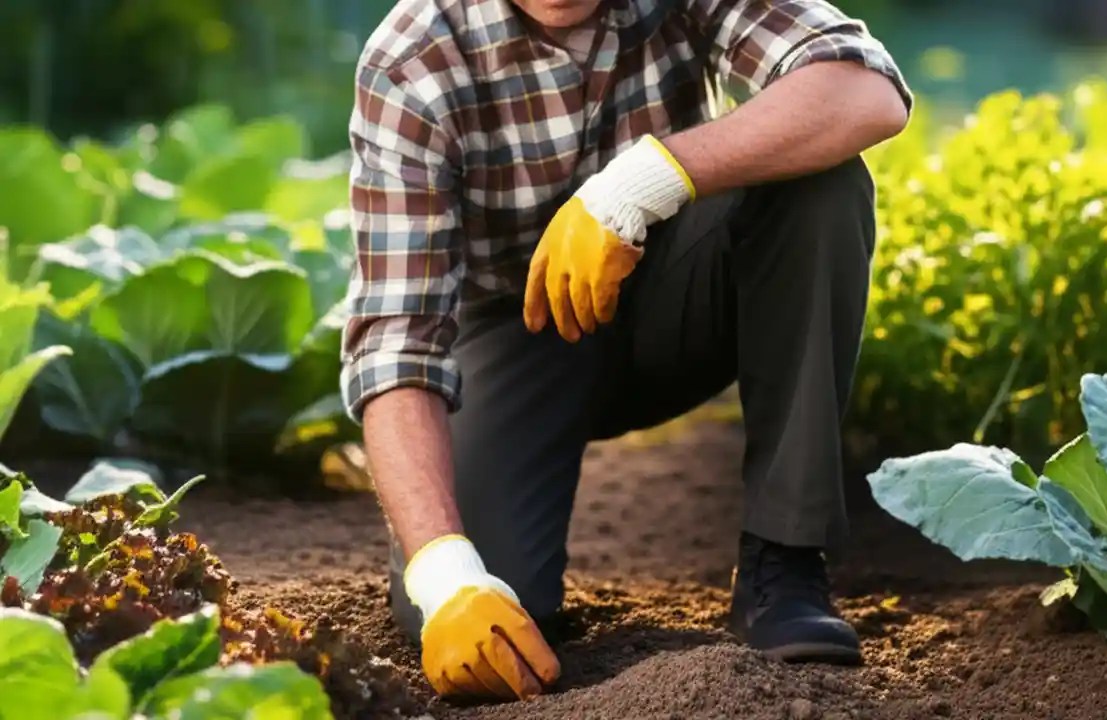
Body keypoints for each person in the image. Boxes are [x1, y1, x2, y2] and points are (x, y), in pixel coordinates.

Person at [341, 0, 911, 703]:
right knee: (491, 611)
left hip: (671, 293)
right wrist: (445, 574)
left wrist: (644, 181)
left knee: (821, 183)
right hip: (511, 333)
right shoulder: (413, 61)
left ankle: (784, 559)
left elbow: (866, 91)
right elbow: (397, 349)